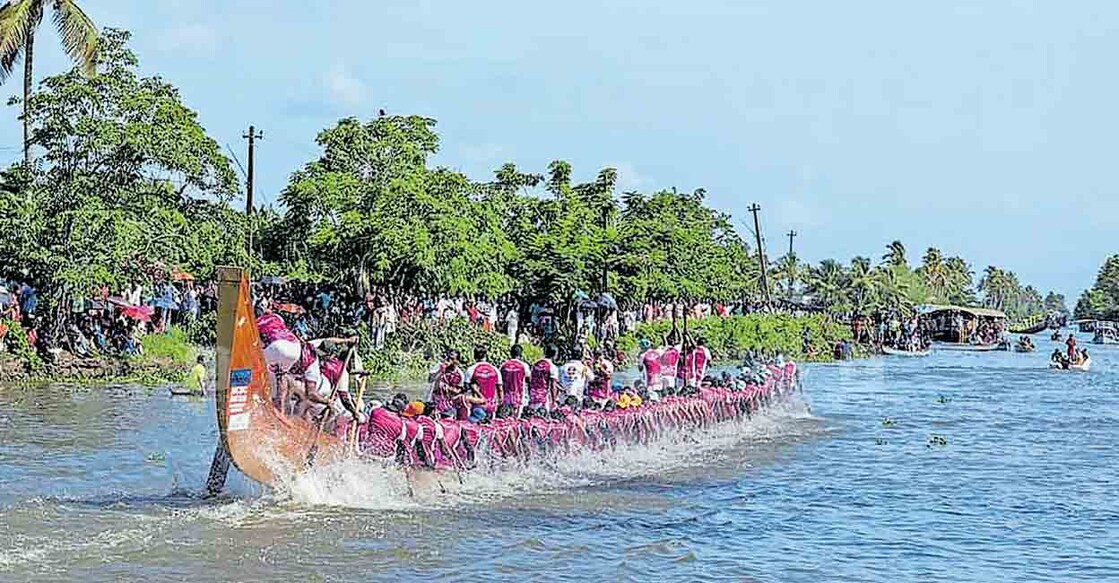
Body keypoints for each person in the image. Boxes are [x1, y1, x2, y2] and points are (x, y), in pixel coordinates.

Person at [464, 345, 501, 416]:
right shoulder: (495, 370)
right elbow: (500, 389)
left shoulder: (470, 370)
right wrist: (498, 403)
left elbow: (466, 389)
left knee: (476, 426)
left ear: (474, 356)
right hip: (491, 406)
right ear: (486, 356)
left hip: (476, 406)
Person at [499, 344, 531, 416]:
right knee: (516, 420)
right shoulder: (524, 366)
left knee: (506, 419)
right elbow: (529, 380)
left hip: (506, 397)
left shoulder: (503, 365)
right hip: (519, 397)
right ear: (521, 354)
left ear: (510, 353)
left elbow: (499, 382)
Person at [528, 345, 560, 411]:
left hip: (533, 395)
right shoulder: (552, 367)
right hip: (543, 397)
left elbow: (530, 380)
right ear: (555, 355)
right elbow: (553, 386)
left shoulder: (535, 364)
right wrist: (554, 401)